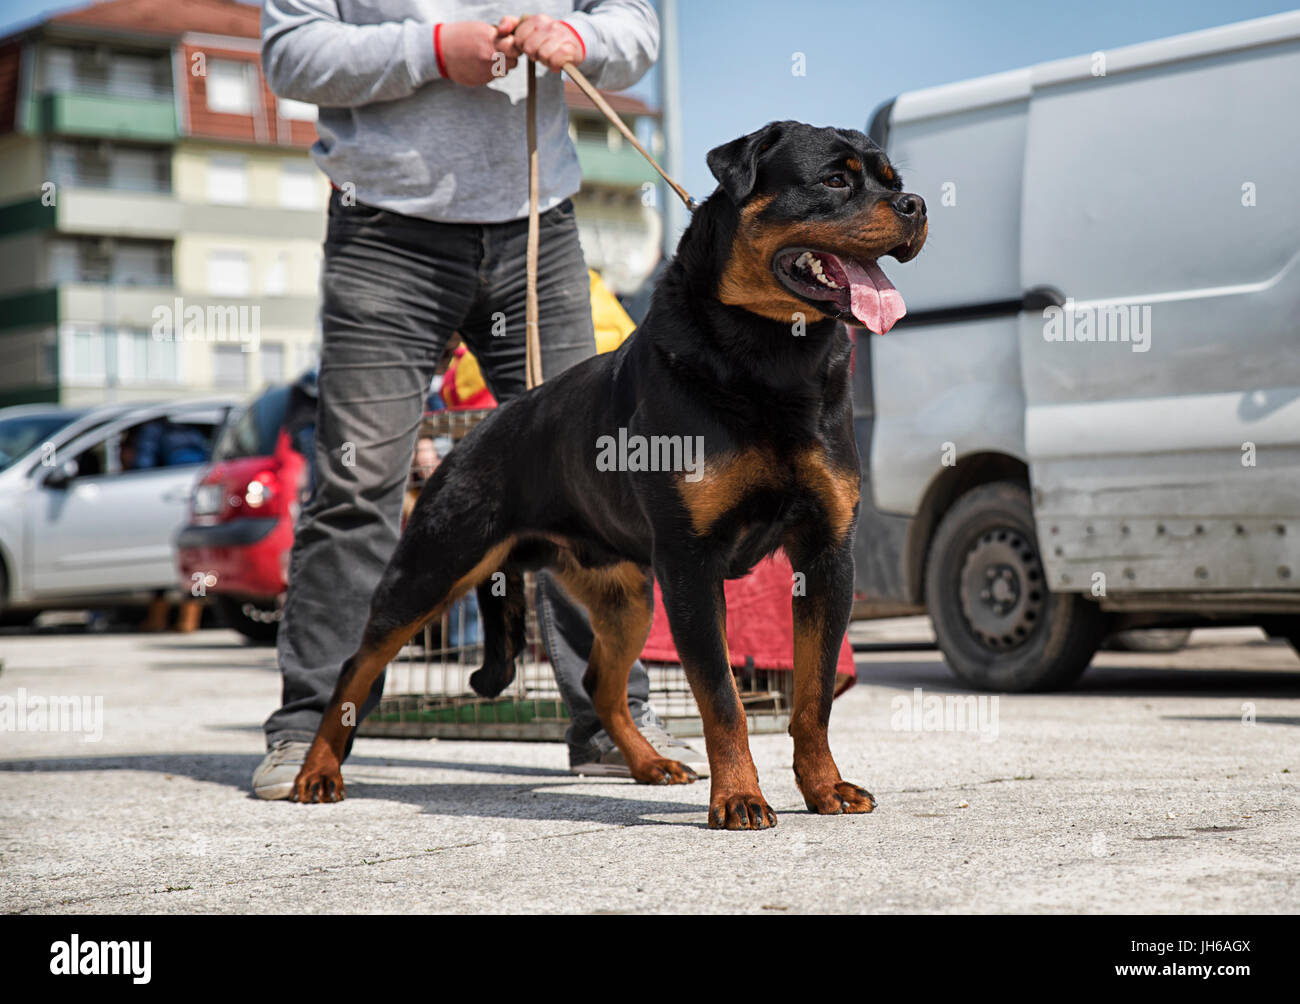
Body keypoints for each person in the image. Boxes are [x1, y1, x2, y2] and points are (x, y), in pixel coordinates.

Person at [252, 0, 706, 798]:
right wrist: (429, 50)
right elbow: (291, 54)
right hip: (383, 231)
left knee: (599, 480)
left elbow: (634, 27)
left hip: (539, 220)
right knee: (357, 486)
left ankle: (609, 725)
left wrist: (579, 37)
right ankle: (311, 729)